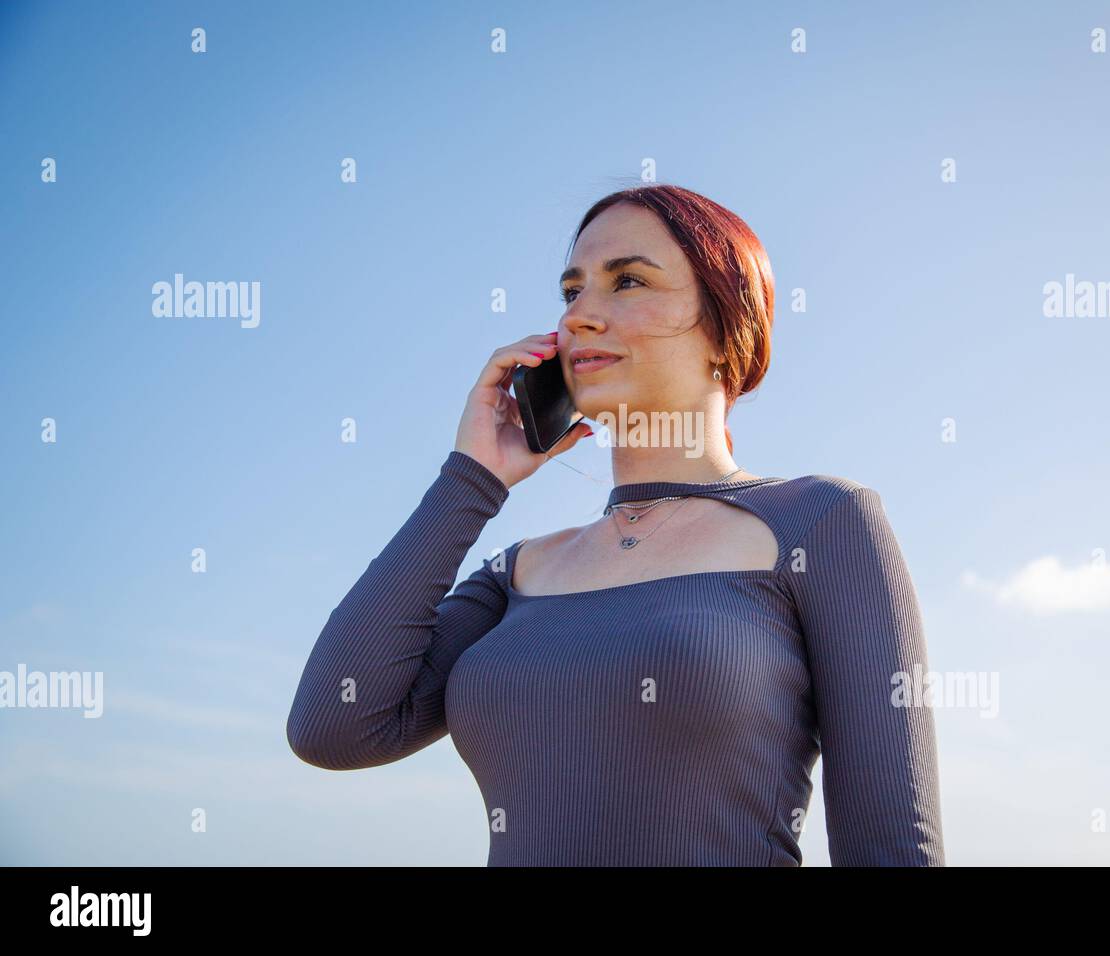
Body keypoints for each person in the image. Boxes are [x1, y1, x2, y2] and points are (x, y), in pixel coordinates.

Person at [286, 183, 945, 866]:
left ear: (726, 325)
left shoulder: (821, 522)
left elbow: (893, 848)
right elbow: (334, 726)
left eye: (627, 280)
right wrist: (471, 479)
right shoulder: (516, 573)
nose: (580, 317)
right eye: (572, 292)